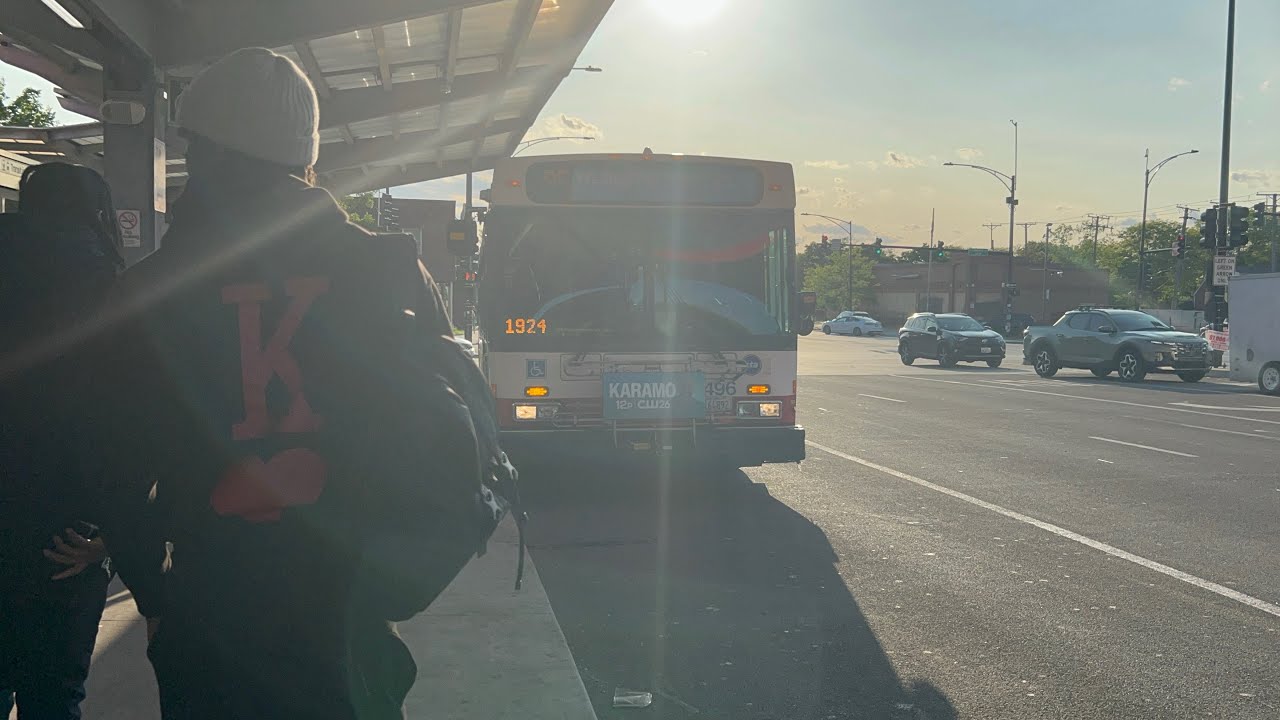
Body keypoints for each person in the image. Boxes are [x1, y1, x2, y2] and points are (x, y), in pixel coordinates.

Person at [91, 47, 487, 720]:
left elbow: (115, 469)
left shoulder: (148, 292)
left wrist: (155, 601)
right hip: (344, 613)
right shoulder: (385, 266)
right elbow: (450, 421)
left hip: (211, 614)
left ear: (210, 151)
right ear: (302, 155)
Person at [0, 162, 125, 719]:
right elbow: (134, 425)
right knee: (55, 697)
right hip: (67, 537)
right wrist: (113, 537)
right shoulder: (109, 289)